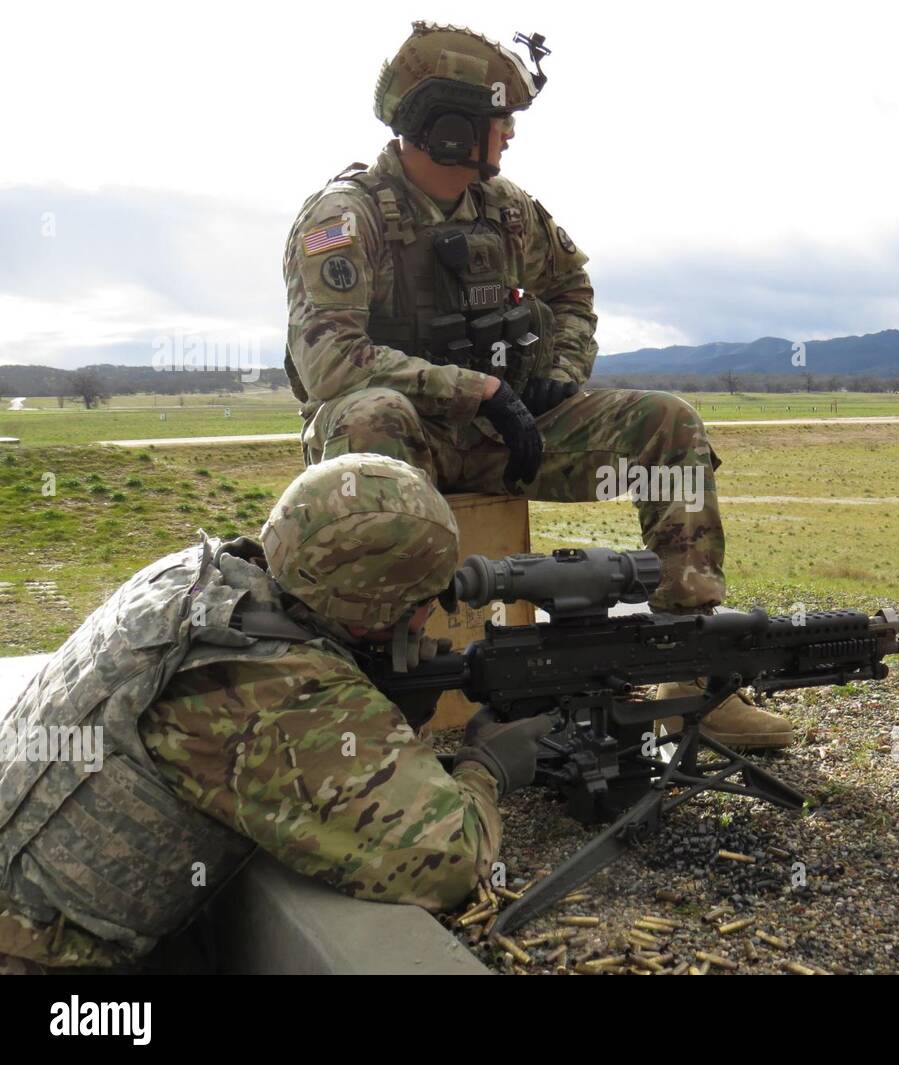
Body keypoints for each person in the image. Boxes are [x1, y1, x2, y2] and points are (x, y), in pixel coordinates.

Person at [282, 22, 793, 749]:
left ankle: (696, 677)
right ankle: (379, 695)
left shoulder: (510, 210)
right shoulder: (345, 218)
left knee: (669, 423)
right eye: (500, 119)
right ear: (450, 127)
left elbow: (572, 288)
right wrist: (477, 392)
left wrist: (560, 371)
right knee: (373, 412)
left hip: (503, 432)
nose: (511, 134)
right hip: (395, 444)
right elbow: (329, 360)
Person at [0, 454, 549, 972]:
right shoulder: (274, 683)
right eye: (426, 602)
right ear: (373, 616)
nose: (430, 614)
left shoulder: (194, 576)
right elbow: (449, 860)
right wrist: (488, 767)